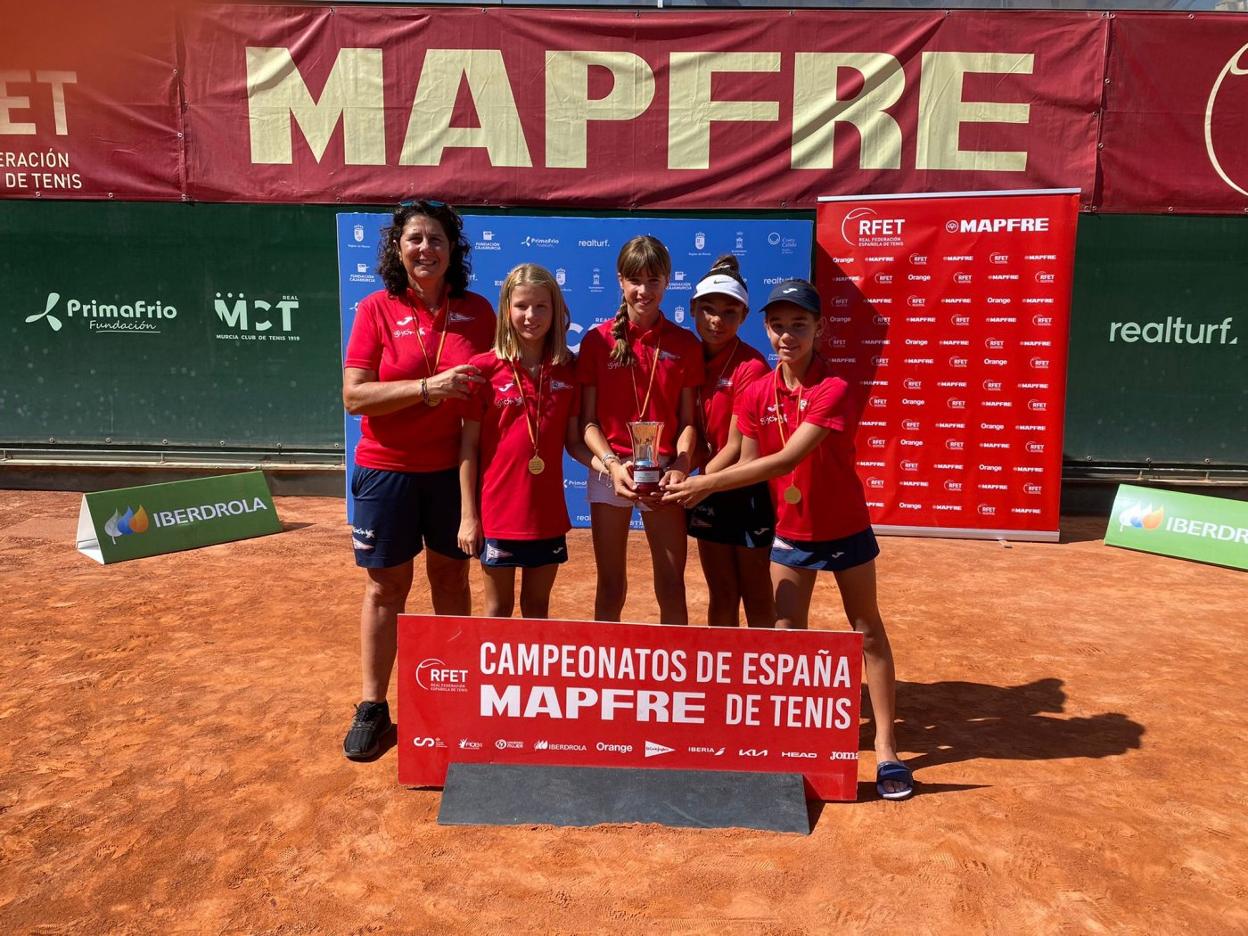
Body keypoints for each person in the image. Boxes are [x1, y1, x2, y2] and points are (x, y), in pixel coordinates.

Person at [663, 279, 913, 800]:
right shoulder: (755, 391)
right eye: (778, 324)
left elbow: (786, 460)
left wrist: (701, 485)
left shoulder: (834, 389)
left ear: (819, 329)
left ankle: (888, 750)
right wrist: (694, 478)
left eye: (799, 324)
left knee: (866, 630)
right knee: (785, 639)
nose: (787, 334)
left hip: (844, 527)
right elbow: (750, 464)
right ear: (766, 328)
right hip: (791, 532)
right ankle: (783, 742)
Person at [340, 200, 494, 760]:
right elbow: (355, 396)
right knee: (387, 588)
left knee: (451, 585)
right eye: (414, 239)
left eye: (436, 239)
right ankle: (373, 707)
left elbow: (491, 387)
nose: (425, 248)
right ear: (397, 249)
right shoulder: (375, 310)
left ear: (453, 250)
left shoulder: (478, 312)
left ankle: (451, 703)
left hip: (450, 474)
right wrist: (429, 388)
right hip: (387, 472)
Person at [577, 235, 705, 625]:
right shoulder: (597, 342)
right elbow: (587, 423)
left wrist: (681, 465)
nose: (644, 290)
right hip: (610, 471)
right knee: (610, 585)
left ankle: (675, 675)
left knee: (671, 584)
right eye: (635, 280)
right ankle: (606, 675)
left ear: (668, 281)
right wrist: (612, 465)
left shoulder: (685, 344)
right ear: (620, 280)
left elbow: (688, 423)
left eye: (654, 280)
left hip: (665, 472)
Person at [457, 264, 588, 618]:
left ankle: (530, 678)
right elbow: (468, 447)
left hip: (546, 516)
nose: (531, 316)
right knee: (497, 610)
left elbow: (575, 442)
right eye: (521, 306)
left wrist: (613, 467)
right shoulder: (482, 369)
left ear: (556, 311)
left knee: (536, 609)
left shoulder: (568, 370)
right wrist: (469, 516)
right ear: (507, 309)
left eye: (541, 306)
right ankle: (495, 678)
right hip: (497, 514)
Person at [687, 255, 776, 627]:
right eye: (708, 310)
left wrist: (696, 483)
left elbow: (737, 448)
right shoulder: (687, 359)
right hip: (706, 486)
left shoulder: (751, 366)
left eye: (729, 312)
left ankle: (763, 678)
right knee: (721, 592)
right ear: (693, 310)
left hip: (746, 488)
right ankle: (724, 682)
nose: (716, 321)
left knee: (755, 592)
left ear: (743, 316)